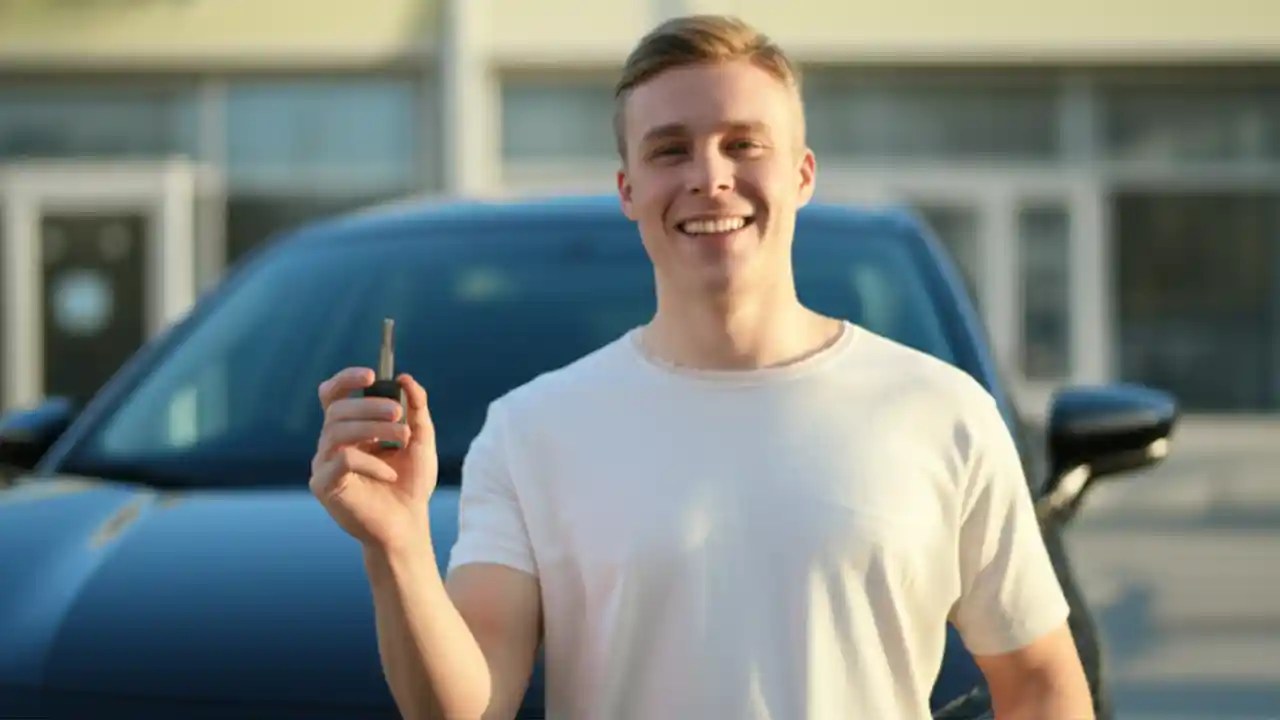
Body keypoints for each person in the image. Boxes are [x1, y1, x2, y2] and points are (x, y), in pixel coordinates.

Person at [309, 14, 1095, 720]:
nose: (708, 176)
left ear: (802, 174)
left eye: (743, 144)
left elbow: (1041, 684)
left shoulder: (939, 411)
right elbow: (467, 710)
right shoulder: (531, 433)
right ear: (629, 188)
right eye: (670, 149)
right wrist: (398, 548)